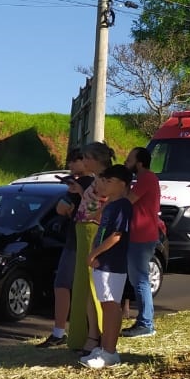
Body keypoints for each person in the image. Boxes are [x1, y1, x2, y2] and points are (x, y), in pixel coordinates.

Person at [80, 164, 134, 369]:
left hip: (112, 263)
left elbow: (116, 235)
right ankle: (105, 348)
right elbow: (96, 219)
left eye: (109, 181)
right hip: (103, 262)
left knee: (111, 306)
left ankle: (110, 352)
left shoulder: (123, 206)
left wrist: (94, 253)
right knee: (105, 305)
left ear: (122, 184)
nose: (104, 185)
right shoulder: (112, 204)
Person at [37, 149, 89, 347]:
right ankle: (79, 331)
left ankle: (60, 332)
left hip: (78, 241)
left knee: (63, 284)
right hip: (78, 239)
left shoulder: (84, 184)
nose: (70, 166)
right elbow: (63, 208)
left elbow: (62, 208)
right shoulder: (89, 184)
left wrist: (74, 201)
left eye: (74, 161)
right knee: (76, 286)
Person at [67, 142, 114, 352]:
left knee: (92, 285)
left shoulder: (107, 179)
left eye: (86, 157)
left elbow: (111, 201)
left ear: (95, 159)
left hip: (92, 231)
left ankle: (95, 335)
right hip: (84, 229)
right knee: (83, 285)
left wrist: (97, 214)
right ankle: (85, 334)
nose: (83, 161)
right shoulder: (97, 179)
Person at [122, 147, 161, 338]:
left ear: (139, 163)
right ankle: (143, 321)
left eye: (129, 160)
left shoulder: (147, 178)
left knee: (140, 280)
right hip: (139, 235)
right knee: (137, 279)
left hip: (142, 235)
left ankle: (146, 323)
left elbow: (127, 201)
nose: (126, 163)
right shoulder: (143, 179)